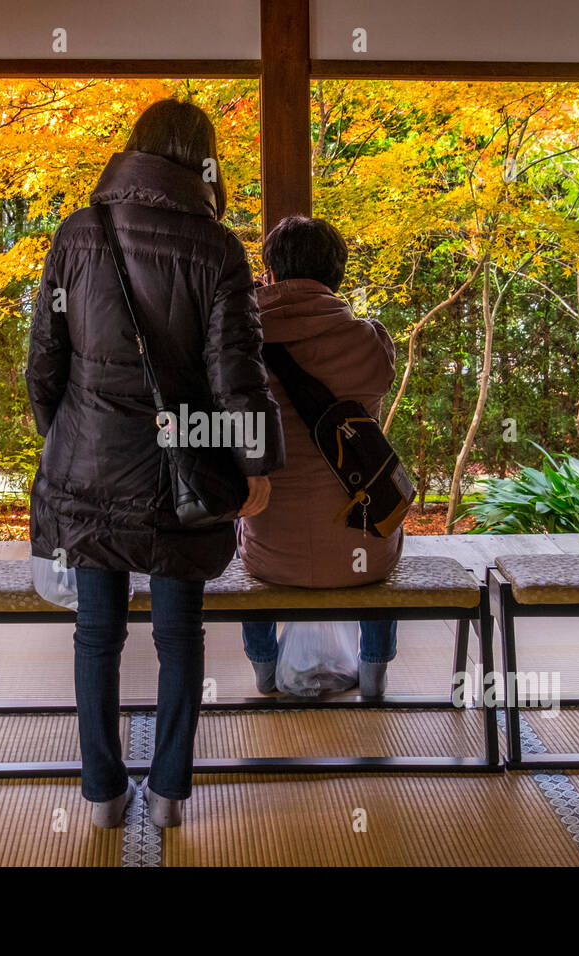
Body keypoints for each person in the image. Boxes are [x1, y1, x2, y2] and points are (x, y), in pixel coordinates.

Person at [26, 99, 283, 829]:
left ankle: (103, 796)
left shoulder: (77, 234)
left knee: (95, 636)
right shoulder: (218, 249)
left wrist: (69, 437)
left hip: (87, 468)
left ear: (136, 149)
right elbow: (237, 376)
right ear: (202, 163)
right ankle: (169, 793)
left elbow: (44, 362)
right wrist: (254, 463)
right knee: (180, 637)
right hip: (185, 469)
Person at [236, 216, 403, 698]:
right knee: (386, 519)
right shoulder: (368, 340)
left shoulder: (243, 341)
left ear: (269, 270)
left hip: (274, 555)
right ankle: (373, 674)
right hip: (360, 552)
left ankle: (265, 672)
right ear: (338, 271)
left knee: (243, 521)